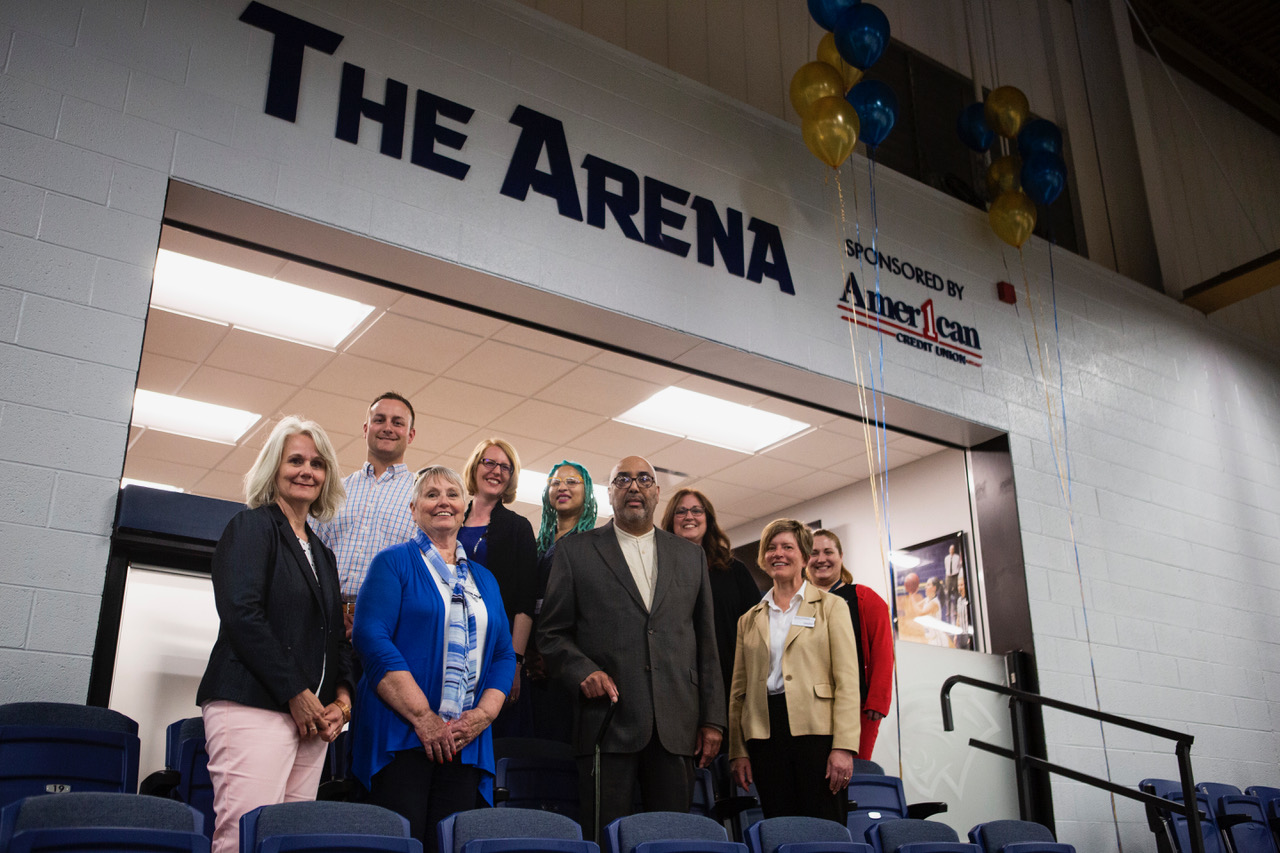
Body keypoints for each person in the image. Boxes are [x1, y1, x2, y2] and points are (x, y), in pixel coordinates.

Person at [537, 455, 725, 840]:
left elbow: (707, 644)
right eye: (622, 479)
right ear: (609, 494)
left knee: (673, 841)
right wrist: (581, 671)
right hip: (606, 723)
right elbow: (551, 633)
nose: (634, 486)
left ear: (657, 492)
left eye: (644, 479)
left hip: (677, 724)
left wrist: (712, 719)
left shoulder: (690, 557)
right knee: (607, 838)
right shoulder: (576, 552)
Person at [196, 416, 353, 853]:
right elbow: (241, 614)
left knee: (287, 842)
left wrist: (342, 699)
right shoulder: (251, 527)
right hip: (252, 703)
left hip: (311, 719)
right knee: (243, 836)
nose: (307, 471)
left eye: (318, 464)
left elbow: (333, 638)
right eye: (296, 460)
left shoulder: (323, 552)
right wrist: (296, 692)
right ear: (273, 469)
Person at [351, 466, 516, 853]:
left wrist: (483, 716)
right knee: (397, 843)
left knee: (451, 845)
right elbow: (370, 637)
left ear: (464, 508)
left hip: (465, 740)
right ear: (413, 509)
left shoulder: (486, 580)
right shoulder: (392, 563)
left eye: (452, 494)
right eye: (431, 494)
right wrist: (424, 717)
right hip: (402, 733)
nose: (443, 501)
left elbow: (504, 653)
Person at [728, 519, 860, 822]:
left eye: (787, 547)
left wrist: (843, 747)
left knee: (824, 827)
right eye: (771, 548)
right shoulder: (748, 619)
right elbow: (738, 693)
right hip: (765, 735)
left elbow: (848, 682)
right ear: (763, 557)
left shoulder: (831, 607)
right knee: (780, 824)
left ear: (804, 556)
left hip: (817, 733)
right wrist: (738, 750)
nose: (779, 554)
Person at [315, 391, 418, 644]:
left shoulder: (423, 497)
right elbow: (309, 557)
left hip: (391, 627)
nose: (387, 428)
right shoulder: (332, 491)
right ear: (366, 428)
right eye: (379, 420)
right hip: (324, 621)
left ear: (411, 435)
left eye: (398, 422)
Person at [459, 438, 537, 736]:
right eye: (489, 462)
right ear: (475, 468)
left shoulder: (518, 528)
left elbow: (524, 604)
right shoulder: (452, 518)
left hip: (495, 651)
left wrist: (514, 663)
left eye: (506, 467)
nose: (497, 471)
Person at [660, 488, 760, 713]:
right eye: (681, 511)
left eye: (697, 510)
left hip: (732, 681)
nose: (689, 516)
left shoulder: (734, 570)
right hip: (678, 684)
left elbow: (757, 627)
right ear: (670, 521)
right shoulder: (659, 572)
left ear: (708, 519)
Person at [807, 528, 894, 760]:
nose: (821, 559)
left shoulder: (865, 598)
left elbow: (883, 652)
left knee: (852, 774)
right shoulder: (796, 602)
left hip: (856, 706)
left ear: (841, 556)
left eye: (828, 551)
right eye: (813, 553)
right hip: (808, 707)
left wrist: (877, 700)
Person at [527, 461, 599, 743]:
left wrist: (554, 656)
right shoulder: (539, 545)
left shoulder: (593, 545)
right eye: (556, 482)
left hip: (569, 668)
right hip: (534, 668)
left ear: (587, 492)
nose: (562, 487)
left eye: (572, 482)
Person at [943, 544, 963, 623]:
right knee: (947, 593)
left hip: (955, 575)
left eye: (953, 549)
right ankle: (948, 611)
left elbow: (959, 566)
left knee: (955, 593)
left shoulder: (957, 557)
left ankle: (955, 610)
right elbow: (946, 567)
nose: (951, 550)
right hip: (948, 576)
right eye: (950, 549)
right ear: (949, 550)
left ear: (954, 550)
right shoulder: (946, 558)